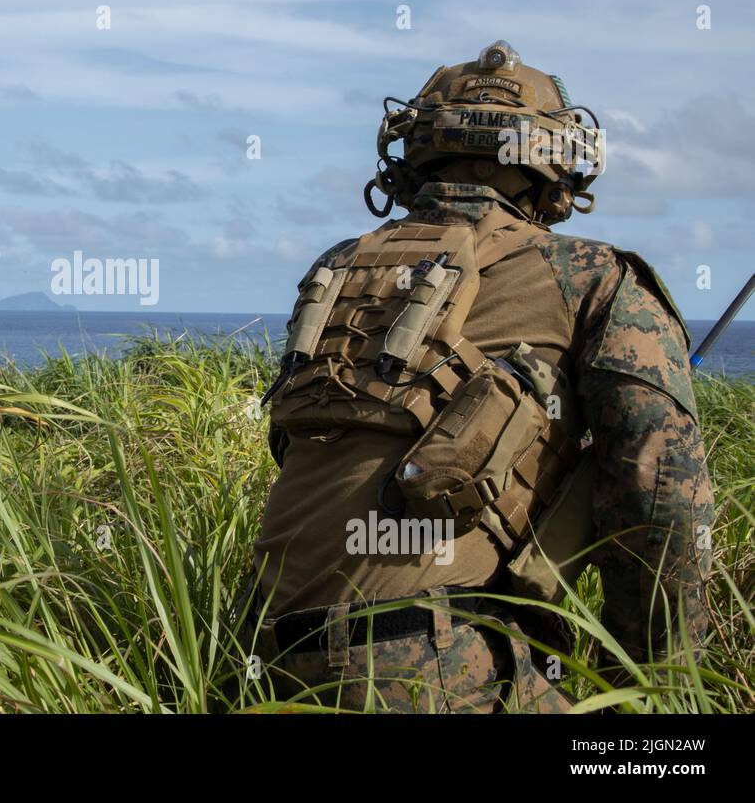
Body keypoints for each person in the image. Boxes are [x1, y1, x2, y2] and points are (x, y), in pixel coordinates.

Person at [248, 41, 713, 712]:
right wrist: (653, 688)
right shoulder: (592, 277)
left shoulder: (343, 266)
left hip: (262, 657)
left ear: (413, 153)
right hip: (436, 665)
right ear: (555, 164)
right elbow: (660, 488)